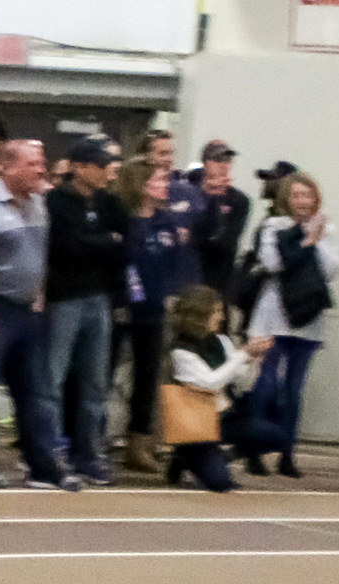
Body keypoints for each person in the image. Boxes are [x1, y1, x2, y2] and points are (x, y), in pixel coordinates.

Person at [0, 139, 76, 491]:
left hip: (27, 312)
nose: (41, 169)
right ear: (8, 167)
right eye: (33, 164)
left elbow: (39, 256)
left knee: (35, 391)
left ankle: (42, 467)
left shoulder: (38, 204)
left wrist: (37, 297)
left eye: (41, 162)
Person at [43, 138, 129, 486]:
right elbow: (66, 246)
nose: (109, 170)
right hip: (63, 298)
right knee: (53, 379)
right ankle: (47, 452)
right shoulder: (56, 201)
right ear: (79, 167)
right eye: (100, 163)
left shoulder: (113, 203)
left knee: (95, 383)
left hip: (99, 299)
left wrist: (100, 241)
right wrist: (105, 240)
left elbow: (127, 244)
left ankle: (88, 454)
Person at [247, 171, 339, 479]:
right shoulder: (274, 226)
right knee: (266, 385)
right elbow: (273, 263)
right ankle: (254, 450)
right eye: (297, 196)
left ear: (315, 199)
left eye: (307, 196)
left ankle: (286, 453)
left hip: (307, 319)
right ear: (287, 198)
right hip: (274, 317)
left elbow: (330, 270)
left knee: (294, 389)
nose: (302, 201)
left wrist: (314, 241)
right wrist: (307, 241)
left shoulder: (327, 229)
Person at [164, 285, 283, 492]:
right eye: (215, 311)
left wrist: (253, 361)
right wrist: (242, 355)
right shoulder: (181, 351)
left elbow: (239, 382)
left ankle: (221, 455)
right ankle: (184, 455)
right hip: (196, 427)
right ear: (199, 315)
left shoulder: (221, 341)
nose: (220, 317)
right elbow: (210, 382)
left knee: (277, 437)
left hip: (224, 418)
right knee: (220, 483)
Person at [118, 156, 189, 474]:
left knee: (148, 379)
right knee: (102, 376)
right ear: (140, 184)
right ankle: (89, 439)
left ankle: (140, 443)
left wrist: (171, 298)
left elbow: (173, 264)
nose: (164, 186)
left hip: (154, 310)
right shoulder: (124, 220)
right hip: (122, 309)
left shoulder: (167, 223)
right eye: (157, 181)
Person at [137, 128, 206, 287]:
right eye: (162, 154)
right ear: (144, 157)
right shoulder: (132, 192)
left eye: (171, 153)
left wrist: (214, 199)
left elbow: (204, 229)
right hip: (147, 286)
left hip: (182, 283)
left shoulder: (186, 191)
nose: (168, 159)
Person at [193, 140, 250, 295]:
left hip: (219, 279)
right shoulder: (191, 193)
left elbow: (227, 241)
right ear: (205, 163)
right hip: (191, 274)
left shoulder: (238, 200)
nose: (224, 165)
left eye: (227, 161)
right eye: (218, 160)